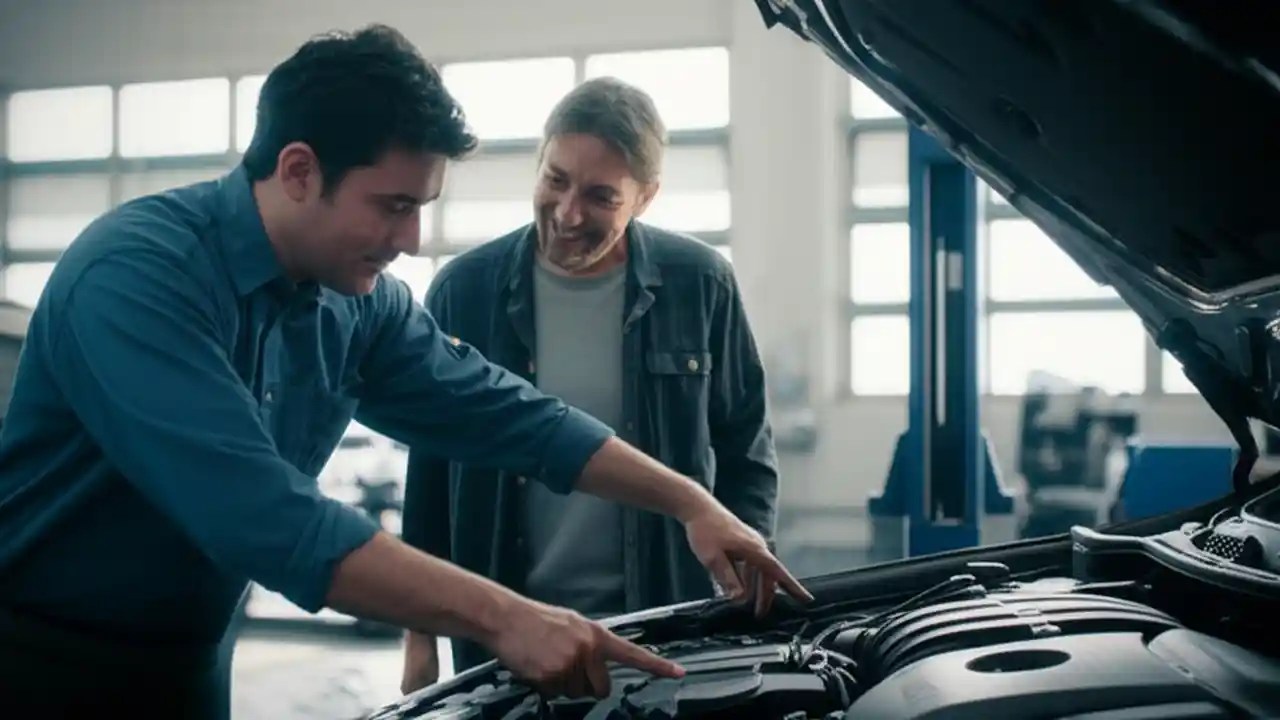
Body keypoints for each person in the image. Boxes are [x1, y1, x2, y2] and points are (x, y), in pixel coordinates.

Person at [0, 25, 810, 717]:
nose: (414, 240)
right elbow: (269, 520)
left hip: (191, 659)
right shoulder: (137, 279)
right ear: (298, 171)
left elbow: (506, 413)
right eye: (394, 206)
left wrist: (690, 500)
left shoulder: (356, 301)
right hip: (37, 660)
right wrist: (504, 618)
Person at [400, 77, 780, 692]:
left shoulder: (700, 285)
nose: (569, 213)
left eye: (601, 196)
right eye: (556, 180)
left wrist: (744, 587)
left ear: (645, 198)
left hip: (665, 620)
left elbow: (745, 451)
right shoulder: (464, 291)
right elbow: (431, 473)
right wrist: (419, 636)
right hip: (506, 628)